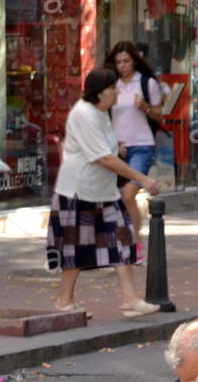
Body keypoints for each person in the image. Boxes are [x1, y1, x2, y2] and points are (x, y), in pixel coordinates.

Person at [47, 67, 161, 315]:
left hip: (103, 191)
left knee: (123, 237)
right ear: (99, 93)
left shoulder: (101, 112)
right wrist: (142, 178)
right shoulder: (84, 113)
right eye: (112, 88)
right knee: (75, 247)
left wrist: (117, 147)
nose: (117, 92)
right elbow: (104, 159)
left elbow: (105, 149)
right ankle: (64, 301)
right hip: (78, 191)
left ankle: (130, 299)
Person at [108, 41, 167, 256]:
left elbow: (159, 114)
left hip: (142, 146)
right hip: (117, 149)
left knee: (128, 193)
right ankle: (117, 241)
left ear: (134, 61)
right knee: (111, 197)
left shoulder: (146, 83)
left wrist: (145, 107)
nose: (122, 66)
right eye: (118, 62)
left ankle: (136, 244)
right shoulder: (111, 84)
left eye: (126, 61)